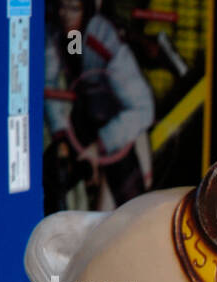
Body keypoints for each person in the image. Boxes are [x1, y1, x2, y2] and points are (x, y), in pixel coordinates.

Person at [43, 0, 156, 212]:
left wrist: (101, 145)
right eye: (61, 6)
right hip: (85, 122)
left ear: (86, 9)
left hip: (119, 130)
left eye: (73, 8)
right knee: (54, 175)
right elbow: (50, 84)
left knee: (131, 209)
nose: (65, 14)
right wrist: (61, 135)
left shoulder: (105, 40)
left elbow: (143, 109)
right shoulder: (68, 35)